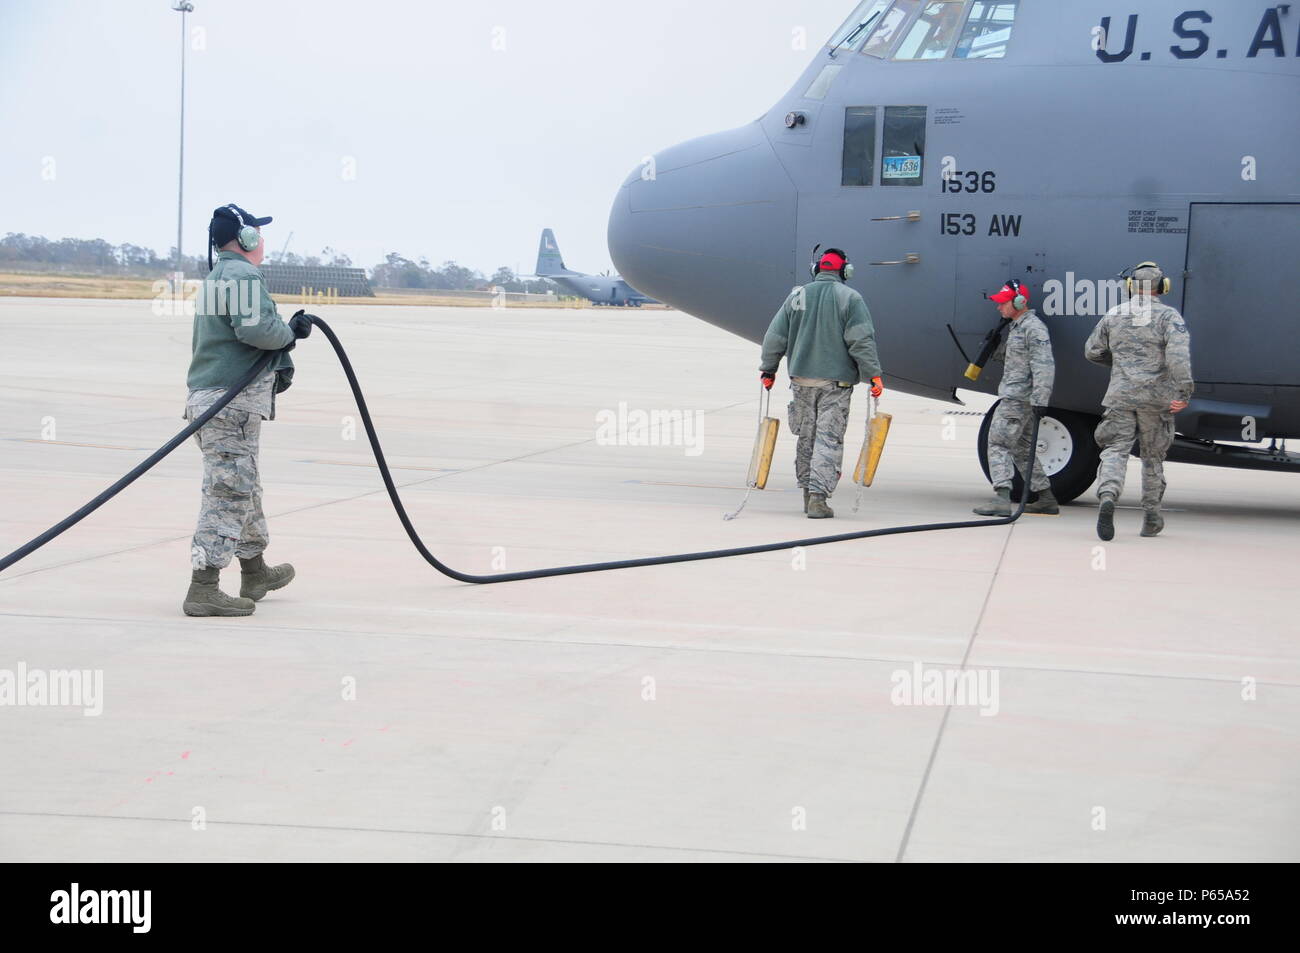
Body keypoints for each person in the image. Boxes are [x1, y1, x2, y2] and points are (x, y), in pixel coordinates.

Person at [182, 204, 313, 616]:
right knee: (228, 494)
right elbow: (255, 329)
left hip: (220, 403)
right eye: (258, 232)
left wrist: (285, 335)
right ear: (248, 238)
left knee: (245, 489)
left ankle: (255, 571)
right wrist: (287, 333)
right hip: (228, 403)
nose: (263, 239)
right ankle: (203, 587)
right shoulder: (240, 274)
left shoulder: (221, 275)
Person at [759, 247, 883, 519]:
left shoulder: (797, 295)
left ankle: (807, 495)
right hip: (834, 385)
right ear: (845, 271)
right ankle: (818, 499)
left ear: (816, 269)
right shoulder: (850, 298)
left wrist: (768, 370)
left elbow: (775, 336)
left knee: (807, 438)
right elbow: (860, 340)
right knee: (828, 439)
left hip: (802, 381)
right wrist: (873, 374)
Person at [1084, 261, 1193, 540]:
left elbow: (1092, 352)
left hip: (1120, 396)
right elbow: (1178, 359)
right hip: (1156, 400)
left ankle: (1108, 495)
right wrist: (1183, 393)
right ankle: (1151, 517)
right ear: (1162, 287)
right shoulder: (1169, 317)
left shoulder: (1115, 314)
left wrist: (1120, 365)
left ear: (1131, 286)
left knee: (1115, 450)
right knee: (1152, 458)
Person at [972, 279, 1059, 516]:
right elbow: (1016, 361)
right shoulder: (1017, 327)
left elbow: (1044, 366)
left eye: (1003, 303)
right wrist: (994, 347)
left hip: (1017, 399)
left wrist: (1041, 399)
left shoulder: (1033, 328)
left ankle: (1002, 497)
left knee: (998, 443)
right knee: (1022, 448)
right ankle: (1046, 498)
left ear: (1019, 302)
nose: (998, 307)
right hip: (1020, 398)